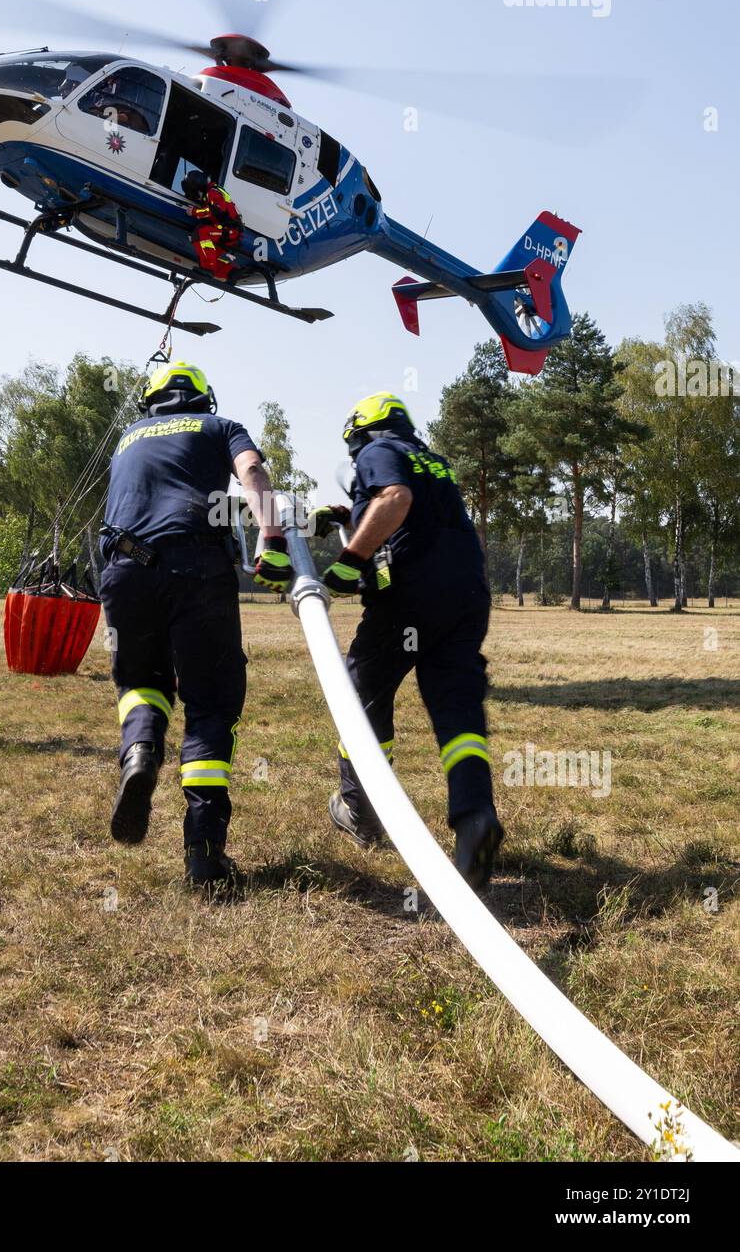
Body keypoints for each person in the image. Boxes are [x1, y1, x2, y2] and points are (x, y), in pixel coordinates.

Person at [99, 361, 290, 896]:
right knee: (209, 701)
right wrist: (270, 538)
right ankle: (203, 852)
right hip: (194, 566)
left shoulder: (128, 438)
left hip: (124, 566)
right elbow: (251, 471)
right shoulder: (219, 426)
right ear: (202, 397)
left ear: (153, 400)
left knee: (141, 681)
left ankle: (139, 753)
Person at [315, 392, 504, 889]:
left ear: (363, 432)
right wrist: (346, 517)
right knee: (457, 710)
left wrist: (348, 561)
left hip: (410, 598)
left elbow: (395, 500)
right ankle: (474, 818)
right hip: (467, 596)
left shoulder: (380, 450)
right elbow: (412, 513)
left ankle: (361, 810)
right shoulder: (433, 461)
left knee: (362, 693)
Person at [181, 169, 243, 282]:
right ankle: (231, 272)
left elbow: (217, 209)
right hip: (227, 231)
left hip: (230, 231)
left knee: (201, 233)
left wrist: (195, 212)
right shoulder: (213, 192)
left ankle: (208, 268)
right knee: (208, 252)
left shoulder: (212, 192)